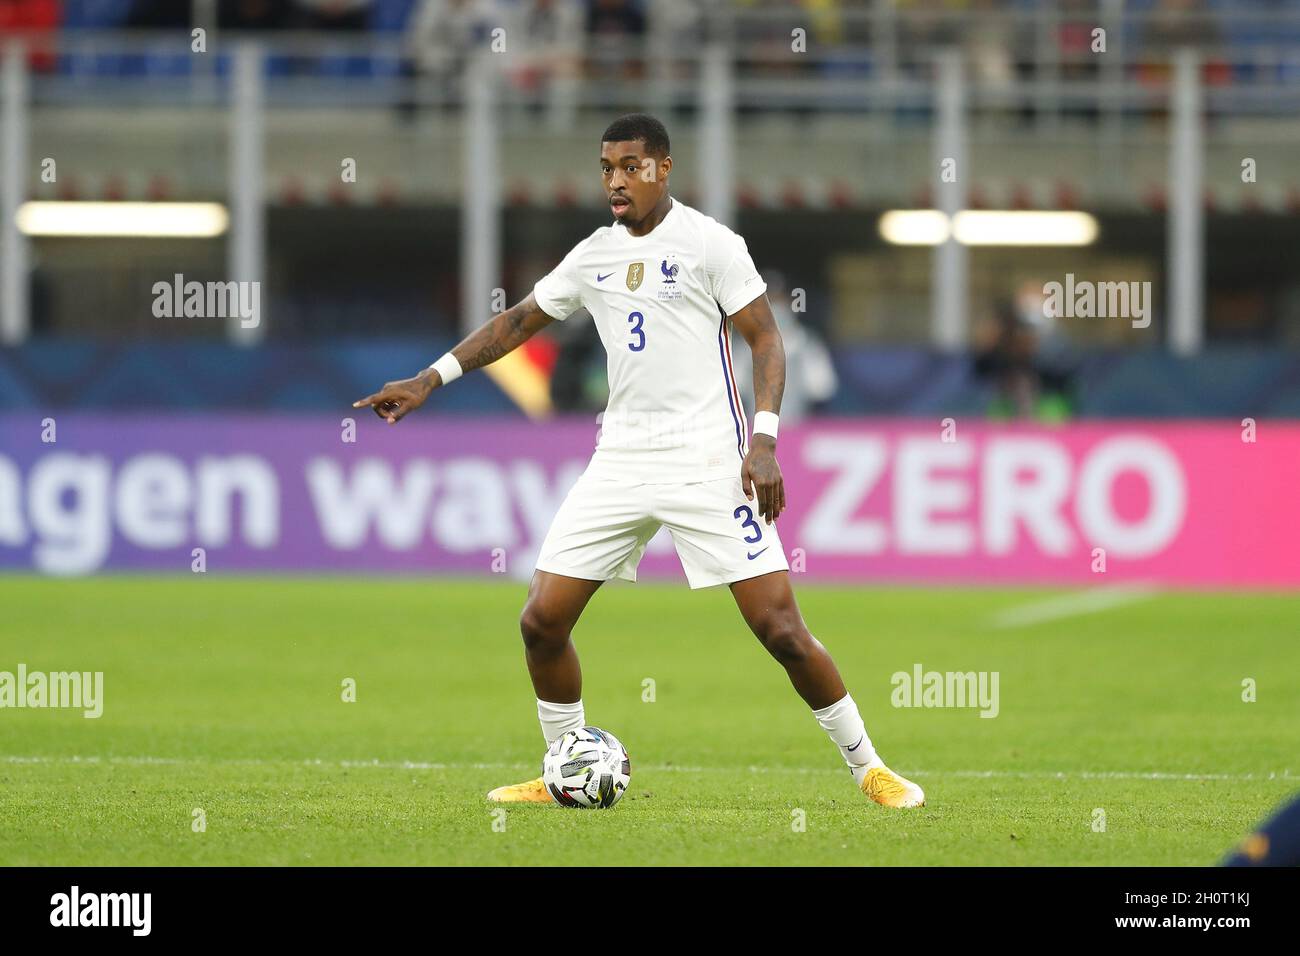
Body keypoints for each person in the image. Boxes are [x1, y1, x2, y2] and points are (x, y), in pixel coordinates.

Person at [353, 113, 925, 810]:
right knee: (541, 621)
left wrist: (765, 441)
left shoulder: (712, 243)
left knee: (781, 630)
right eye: (606, 168)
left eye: (630, 166)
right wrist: (428, 378)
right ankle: (564, 763)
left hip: (709, 460)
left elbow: (766, 341)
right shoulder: (592, 253)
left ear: (663, 167)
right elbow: (516, 323)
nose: (616, 181)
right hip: (620, 460)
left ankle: (870, 769)